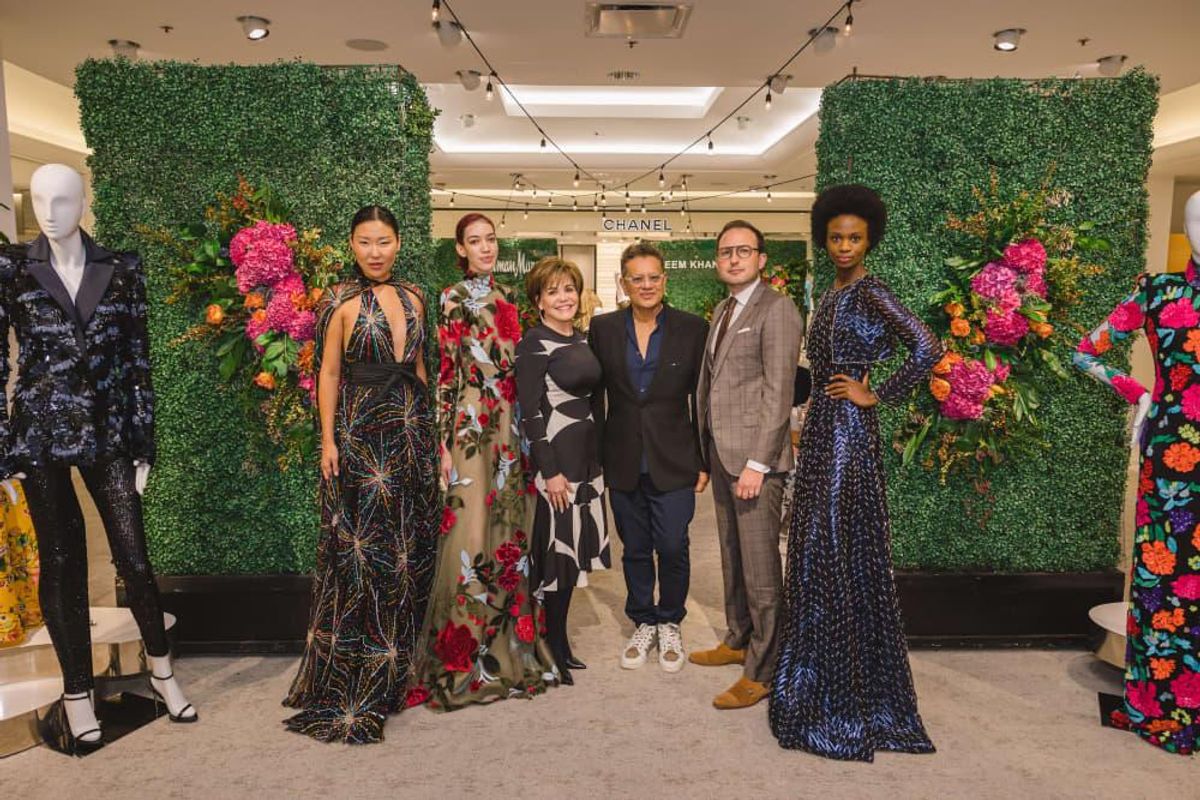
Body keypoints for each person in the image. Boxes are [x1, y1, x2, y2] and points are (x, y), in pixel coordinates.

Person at [0, 163, 195, 755]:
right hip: (39, 433)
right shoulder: (11, 268)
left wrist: (144, 444)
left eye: (62, 199)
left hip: (108, 430)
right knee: (62, 561)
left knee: (134, 558)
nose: (50, 212)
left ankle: (162, 674)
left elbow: (138, 361)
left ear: (83, 201)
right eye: (39, 200)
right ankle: (77, 694)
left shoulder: (122, 266)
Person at [769, 184, 939, 761]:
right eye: (836, 237)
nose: (844, 246)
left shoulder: (872, 291)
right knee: (816, 552)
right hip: (822, 428)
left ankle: (842, 700)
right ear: (825, 238)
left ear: (871, 241)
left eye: (855, 238)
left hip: (847, 437)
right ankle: (815, 682)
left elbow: (925, 346)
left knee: (832, 548)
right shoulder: (835, 292)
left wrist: (876, 393)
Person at [283, 205, 439, 744]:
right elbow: (328, 372)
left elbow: (420, 368)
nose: (376, 251)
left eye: (385, 241)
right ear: (353, 245)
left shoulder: (419, 296)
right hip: (361, 435)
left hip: (411, 430)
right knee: (365, 555)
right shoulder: (340, 301)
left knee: (407, 552)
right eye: (366, 242)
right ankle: (360, 673)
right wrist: (327, 439)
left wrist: (432, 437)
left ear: (399, 243)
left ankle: (397, 671)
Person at [1070, 188, 1200, 756]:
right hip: (1175, 451)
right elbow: (1085, 351)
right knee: (1164, 576)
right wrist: (1139, 391)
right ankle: (1159, 702)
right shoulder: (1159, 291)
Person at [413, 213, 557, 708]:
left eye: (490, 239)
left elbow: (521, 372)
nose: (485, 248)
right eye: (475, 241)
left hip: (508, 427)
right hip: (471, 425)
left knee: (507, 536)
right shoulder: (450, 299)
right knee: (468, 536)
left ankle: (507, 648)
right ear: (460, 249)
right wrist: (443, 441)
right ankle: (463, 655)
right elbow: (447, 374)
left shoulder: (509, 301)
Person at [692, 220, 804, 709]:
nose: (733, 258)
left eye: (744, 251)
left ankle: (763, 668)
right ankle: (739, 638)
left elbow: (780, 393)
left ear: (762, 259)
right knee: (732, 556)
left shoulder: (777, 310)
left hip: (756, 461)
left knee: (761, 570)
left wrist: (759, 462)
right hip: (723, 454)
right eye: (725, 252)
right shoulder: (723, 309)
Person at [588, 242, 708, 672]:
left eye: (653, 277)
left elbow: (703, 400)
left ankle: (670, 619)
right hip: (621, 457)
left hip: (675, 458)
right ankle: (643, 619)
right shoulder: (601, 329)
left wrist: (704, 460)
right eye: (636, 278)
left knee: (673, 545)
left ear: (664, 280)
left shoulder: (693, 329)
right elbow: (595, 398)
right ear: (623, 283)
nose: (646, 285)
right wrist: (594, 457)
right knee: (635, 547)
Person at [516, 257, 611, 684]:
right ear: (538, 300)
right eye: (553, 291)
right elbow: (531, 413)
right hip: (557, 459)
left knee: (572, 553)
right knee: (555, 553)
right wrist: (549, 470)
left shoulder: (584, 340)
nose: (563, 297)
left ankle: (561, 640)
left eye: (569, 289)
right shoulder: (533, 344)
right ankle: (551, 644)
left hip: (586, 458)